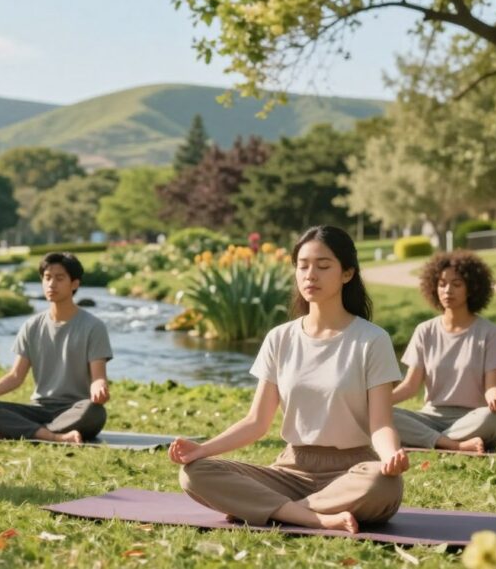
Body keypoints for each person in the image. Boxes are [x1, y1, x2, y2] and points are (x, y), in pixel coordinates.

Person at [170, 226, 407, 533]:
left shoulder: (372, 340)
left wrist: (390, 456)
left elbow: (381, 424)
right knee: (195, 473)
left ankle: (267, 508)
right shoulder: (280, 338)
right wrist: (202, 450)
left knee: (380, 484)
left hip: (352, 471)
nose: (311, 275)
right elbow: (256, 422)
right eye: (303, 266)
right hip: (290, 472)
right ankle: (310, 516)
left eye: (323, 266)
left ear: (347, 274)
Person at [0, 252, 112, 443]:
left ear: (74, 284)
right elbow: (15, 377)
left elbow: (98, 377)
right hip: (38, 410)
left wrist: (99, 388)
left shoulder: (93, 326)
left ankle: (19, 430)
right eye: (47, 278)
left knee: (95, 412)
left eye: (59, 278)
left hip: (74, 410)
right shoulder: (31, 326)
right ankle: (52, 435)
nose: (51, 284)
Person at [391, 251, 496, 453]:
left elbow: (492, 387)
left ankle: (431, 440)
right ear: (433, 287)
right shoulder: (424, 331)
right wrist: (375, 405)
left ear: (471, 288)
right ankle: (454, 444)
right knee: (385, 416)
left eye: (456, 284)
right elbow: (410, 386)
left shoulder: (489, 332)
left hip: (472, 419)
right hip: (430, 417)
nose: (447, 290)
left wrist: (495, 398)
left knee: (492, 420)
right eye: (442, 284)